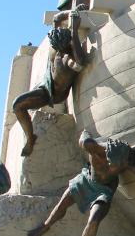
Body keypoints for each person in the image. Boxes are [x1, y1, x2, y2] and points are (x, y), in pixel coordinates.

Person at [28, 125, 135, 236]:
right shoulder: (95, 148)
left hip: (104, 190)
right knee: (62, 204)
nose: (110, 166)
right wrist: (85, 132)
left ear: (123, 162)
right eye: (109, 162)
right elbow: (83, 139)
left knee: (93, 221)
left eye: (115, 165)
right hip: (87, 180)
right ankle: (46, 225)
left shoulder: (127, 159)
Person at [12, 11, 88, 156]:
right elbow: (56, 18)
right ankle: (30, 137)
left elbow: (80, 64)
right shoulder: (56, 46)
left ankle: (30, 140)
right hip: (44, 83)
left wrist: (74, 32)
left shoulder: (67, 58)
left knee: (18, 105)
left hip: (51, 94)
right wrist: (73, 11)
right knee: (17, 105)